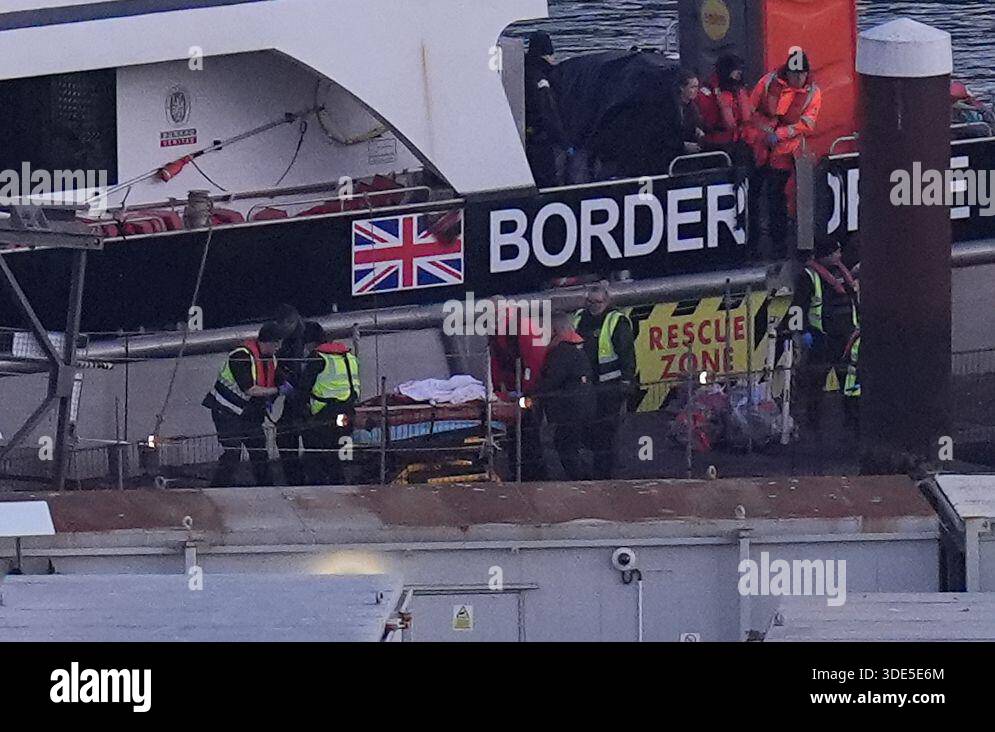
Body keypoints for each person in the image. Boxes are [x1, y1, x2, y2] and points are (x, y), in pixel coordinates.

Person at [750, 49, 822, 257]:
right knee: (757, 197)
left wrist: (779, 134)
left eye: (801, 74)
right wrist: (764, 132)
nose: (798, 78)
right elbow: (751, 111)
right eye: (794, 73)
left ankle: (783, 245)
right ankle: (758, 244)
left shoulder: (812, 93)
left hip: (787, 153)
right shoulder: (768, 83)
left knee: (782, 198)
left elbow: (806, 125)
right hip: (762, 148)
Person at [202, 322, 288, 486]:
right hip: (226, 410)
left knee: (260, 453)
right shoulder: (240, 355)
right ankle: (219, 489)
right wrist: (276, 391)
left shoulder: (271, 359)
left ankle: (266, 488)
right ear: (267, 342)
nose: (278, 347)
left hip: (249, 414)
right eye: (276, 344)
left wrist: (286, 384)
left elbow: (276, 377)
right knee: (233, 452)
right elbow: (249, 389)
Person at [789, 241, 859, 431]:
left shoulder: (843, 272)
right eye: (835, 252)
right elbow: (798, 307)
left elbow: (853, 300)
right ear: (825, 255)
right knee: (815, 384)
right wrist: (803, 332)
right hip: (822, 338)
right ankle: (812, 425)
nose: (839, 255)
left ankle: (853, 422)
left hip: (846, 337)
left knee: (850, 383)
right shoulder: (808, 277)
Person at [573, 283, 636, 479]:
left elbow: (627, 355)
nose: (594, 306)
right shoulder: (579, 318)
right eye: (591, 302)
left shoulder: (616, 321)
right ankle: (591, 471)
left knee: (606, 433)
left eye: (598, 302)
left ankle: (604, 474)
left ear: (606, 301)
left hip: (609, 387)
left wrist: (626, 381)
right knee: (585, 430)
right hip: (584, 387)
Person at [490, 303, 550, 481]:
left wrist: (525, 390)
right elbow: (496, 361)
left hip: (529, 390)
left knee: (530, 432)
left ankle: (534, 474)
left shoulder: (522, 327)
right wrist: (498, 389)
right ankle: (519, 472)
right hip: (513, 391)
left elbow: (534, 361)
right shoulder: (498, 331)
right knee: (514, 434)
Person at [298, 322, 361, 485]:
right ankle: (344, 480)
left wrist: (300, 408)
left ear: (310, 343)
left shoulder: (317, 357)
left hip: (324, 414)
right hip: (348, 411)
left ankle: (319, 486)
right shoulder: (348, 355)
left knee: (316, 452)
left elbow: (304, 389)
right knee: (342, 448)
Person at [538, 311, 596, 480]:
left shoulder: (561, 352)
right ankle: (585, 475)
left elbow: (552, 379)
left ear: (554, 330)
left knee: (565, 443)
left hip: (570, 407)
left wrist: (532, 393)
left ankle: (579, 478)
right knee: (575, 442)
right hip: (585, 402)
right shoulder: (579, 346)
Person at [524, 31, 570, 188]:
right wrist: (563, 142)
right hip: (542, 141)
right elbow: (548, 113)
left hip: (528, 137)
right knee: (548, 181)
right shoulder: (542, 80)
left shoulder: (522, 71)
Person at [272, 304, 309, 485]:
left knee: (313, 442)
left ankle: (310, 480)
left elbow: (305, 369)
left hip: (311, 399)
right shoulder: (285, 340)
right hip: (295, 397)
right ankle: (296, 481)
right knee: (285, 437)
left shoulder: (308, 337)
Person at [661, 69, 706, 167]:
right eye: (693, 87)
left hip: (691, 156)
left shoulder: (693, 107)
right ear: (682, 87)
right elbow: (665, 134)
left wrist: (697, 131)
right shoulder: (670, 108)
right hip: (673, 158)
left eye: (697, 87)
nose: (696, 90)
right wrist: (683, 145)